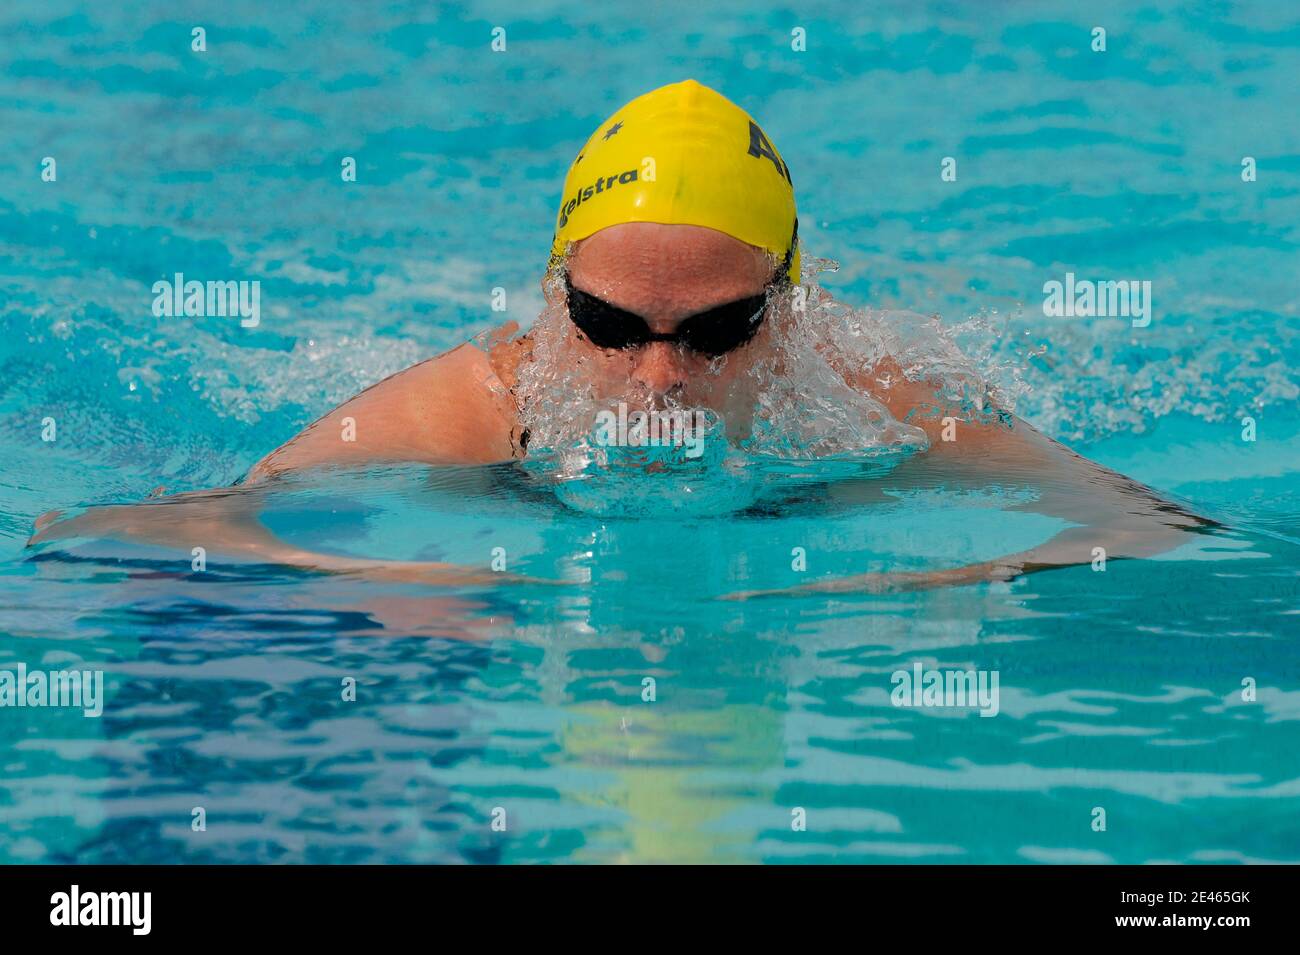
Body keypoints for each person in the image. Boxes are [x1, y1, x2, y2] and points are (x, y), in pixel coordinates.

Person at [29, 80, 1210, 595]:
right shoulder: (466, 413)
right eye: (604, 325)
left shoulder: (882, 402)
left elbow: (1150, 525)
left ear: (788, 308)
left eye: (719, 330)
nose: (658, 378)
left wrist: (976, 567)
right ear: (554, 298)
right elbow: (180, 531)